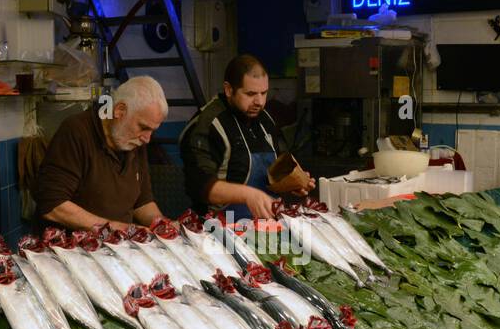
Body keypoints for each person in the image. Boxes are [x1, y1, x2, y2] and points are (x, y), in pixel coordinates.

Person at [179, 54, 314, 220]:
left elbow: (276, 169)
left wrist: (292, 182)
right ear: (229, 90)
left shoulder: (265, 119)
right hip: (220, 228)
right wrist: (248, 195)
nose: (259, 102)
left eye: (264, 93)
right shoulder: (208, 125)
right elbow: (201, 186)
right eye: (250, 94)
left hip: (264, 224)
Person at [33, 76, 167, 231]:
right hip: (72, 247)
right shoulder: (77, 131)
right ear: (119, 110)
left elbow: (142, 202)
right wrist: (114, 229)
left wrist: (163, 225)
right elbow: (52, 205)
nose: (147, 139)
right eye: (143, 127)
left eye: (152, 130)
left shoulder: (135, 142)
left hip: (118, 246)